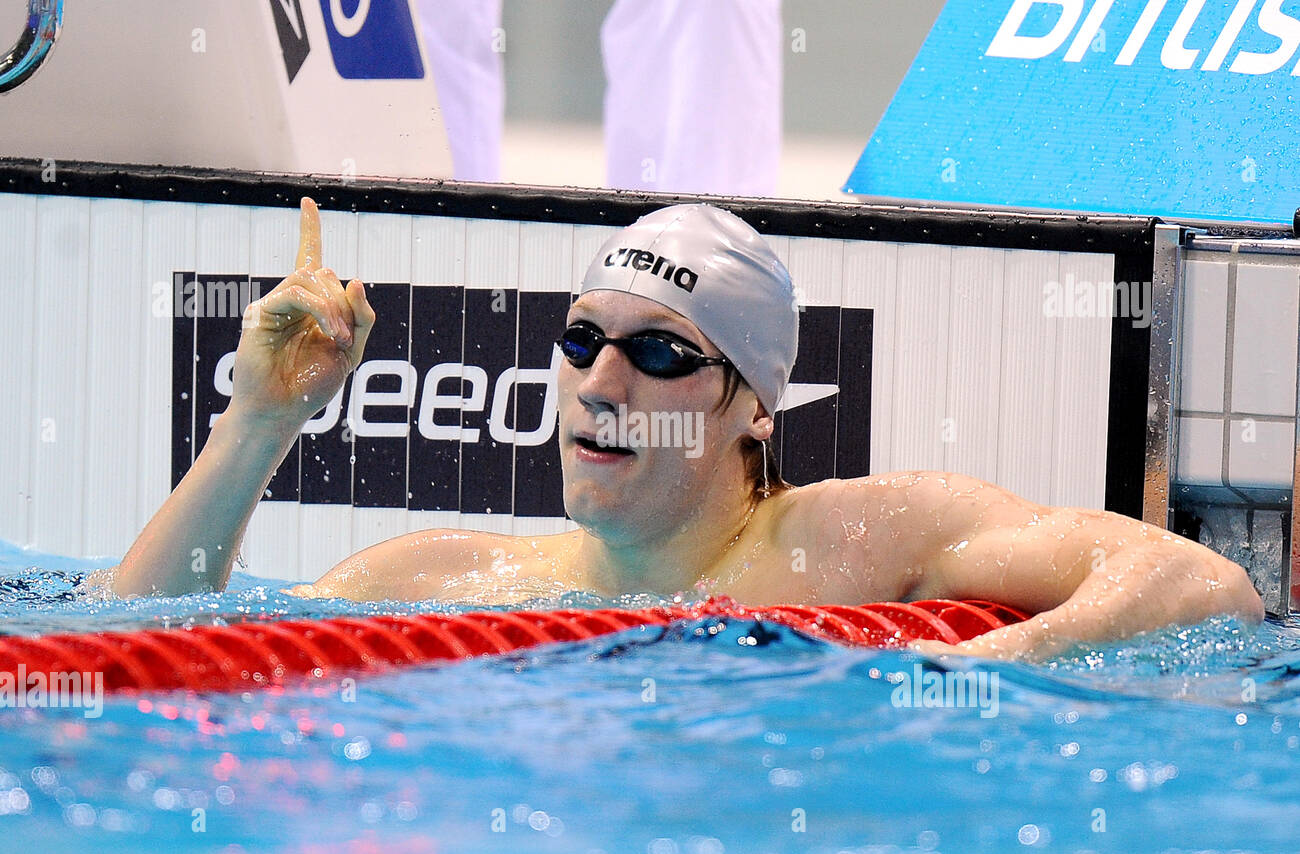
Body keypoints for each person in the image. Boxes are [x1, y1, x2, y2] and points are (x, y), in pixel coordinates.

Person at [92, 198, 1264, 662]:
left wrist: (980, 663)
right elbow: (141, 639)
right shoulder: (441, 576)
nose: (602, 380)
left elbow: (1198, 578)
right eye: (580, 338)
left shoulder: (863, 536)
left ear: (754, 401)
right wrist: (259, 420)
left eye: (659, 352)